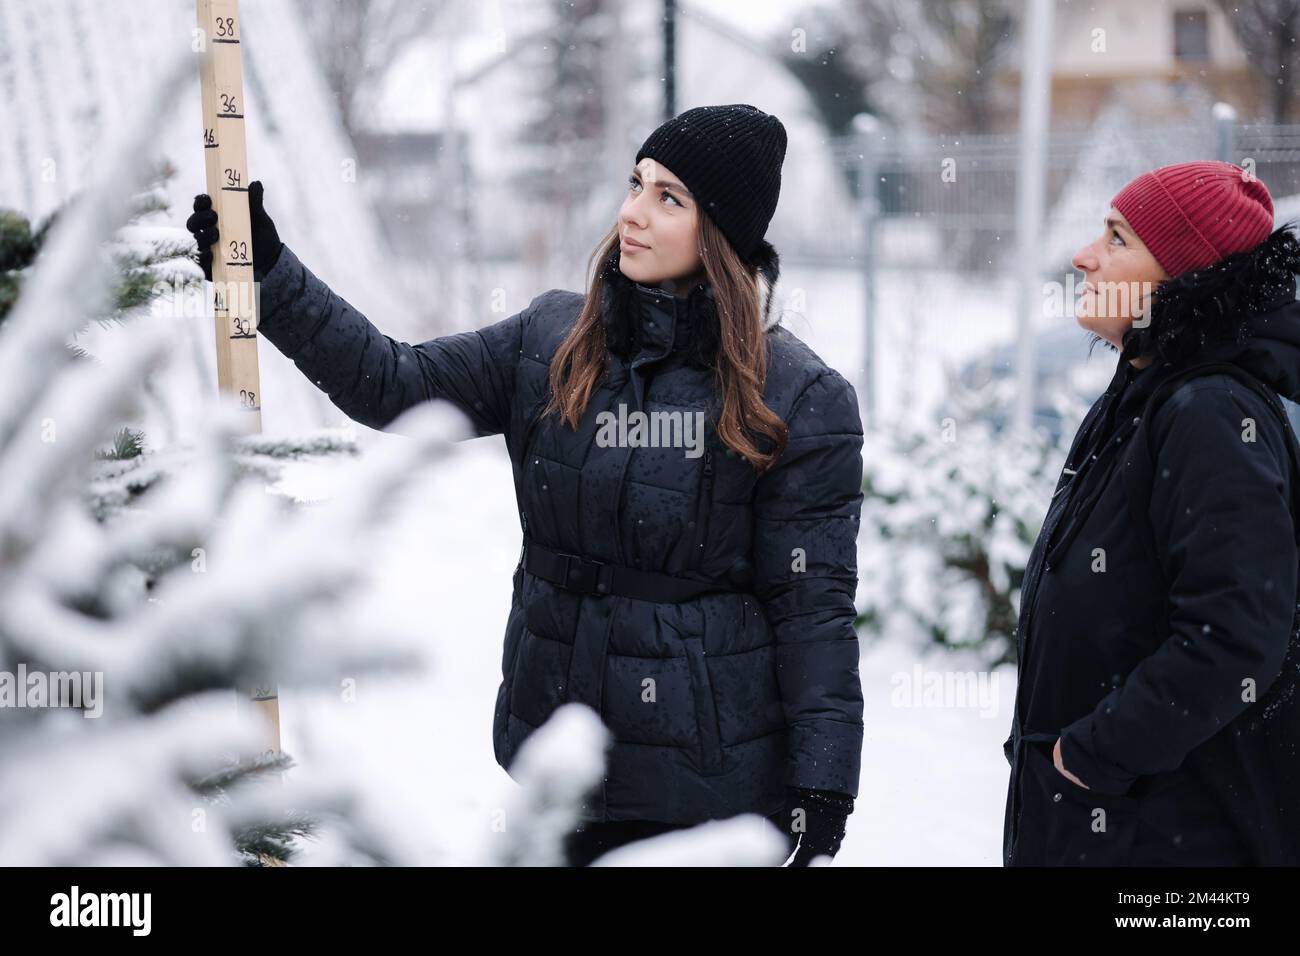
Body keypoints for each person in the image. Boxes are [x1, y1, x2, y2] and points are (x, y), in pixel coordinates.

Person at [188, 104, 865, 867]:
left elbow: (813, 610)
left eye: (669, 198)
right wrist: (271, 276)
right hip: (559, 760)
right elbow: (394, 382)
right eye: (636, 183)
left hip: (711, 787)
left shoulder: (798, 396)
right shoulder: (551, 342)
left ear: (722, 236)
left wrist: (823, 782)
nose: (632, 213)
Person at [1003, 160, 1300, 866]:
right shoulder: (1143, 395)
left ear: (1183, 277)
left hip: (1165, 839)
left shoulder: (1210, 413)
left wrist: (1091, 755)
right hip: (1102, 820)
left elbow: (1235, 638)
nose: (1083, 256)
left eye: (1117, 238)